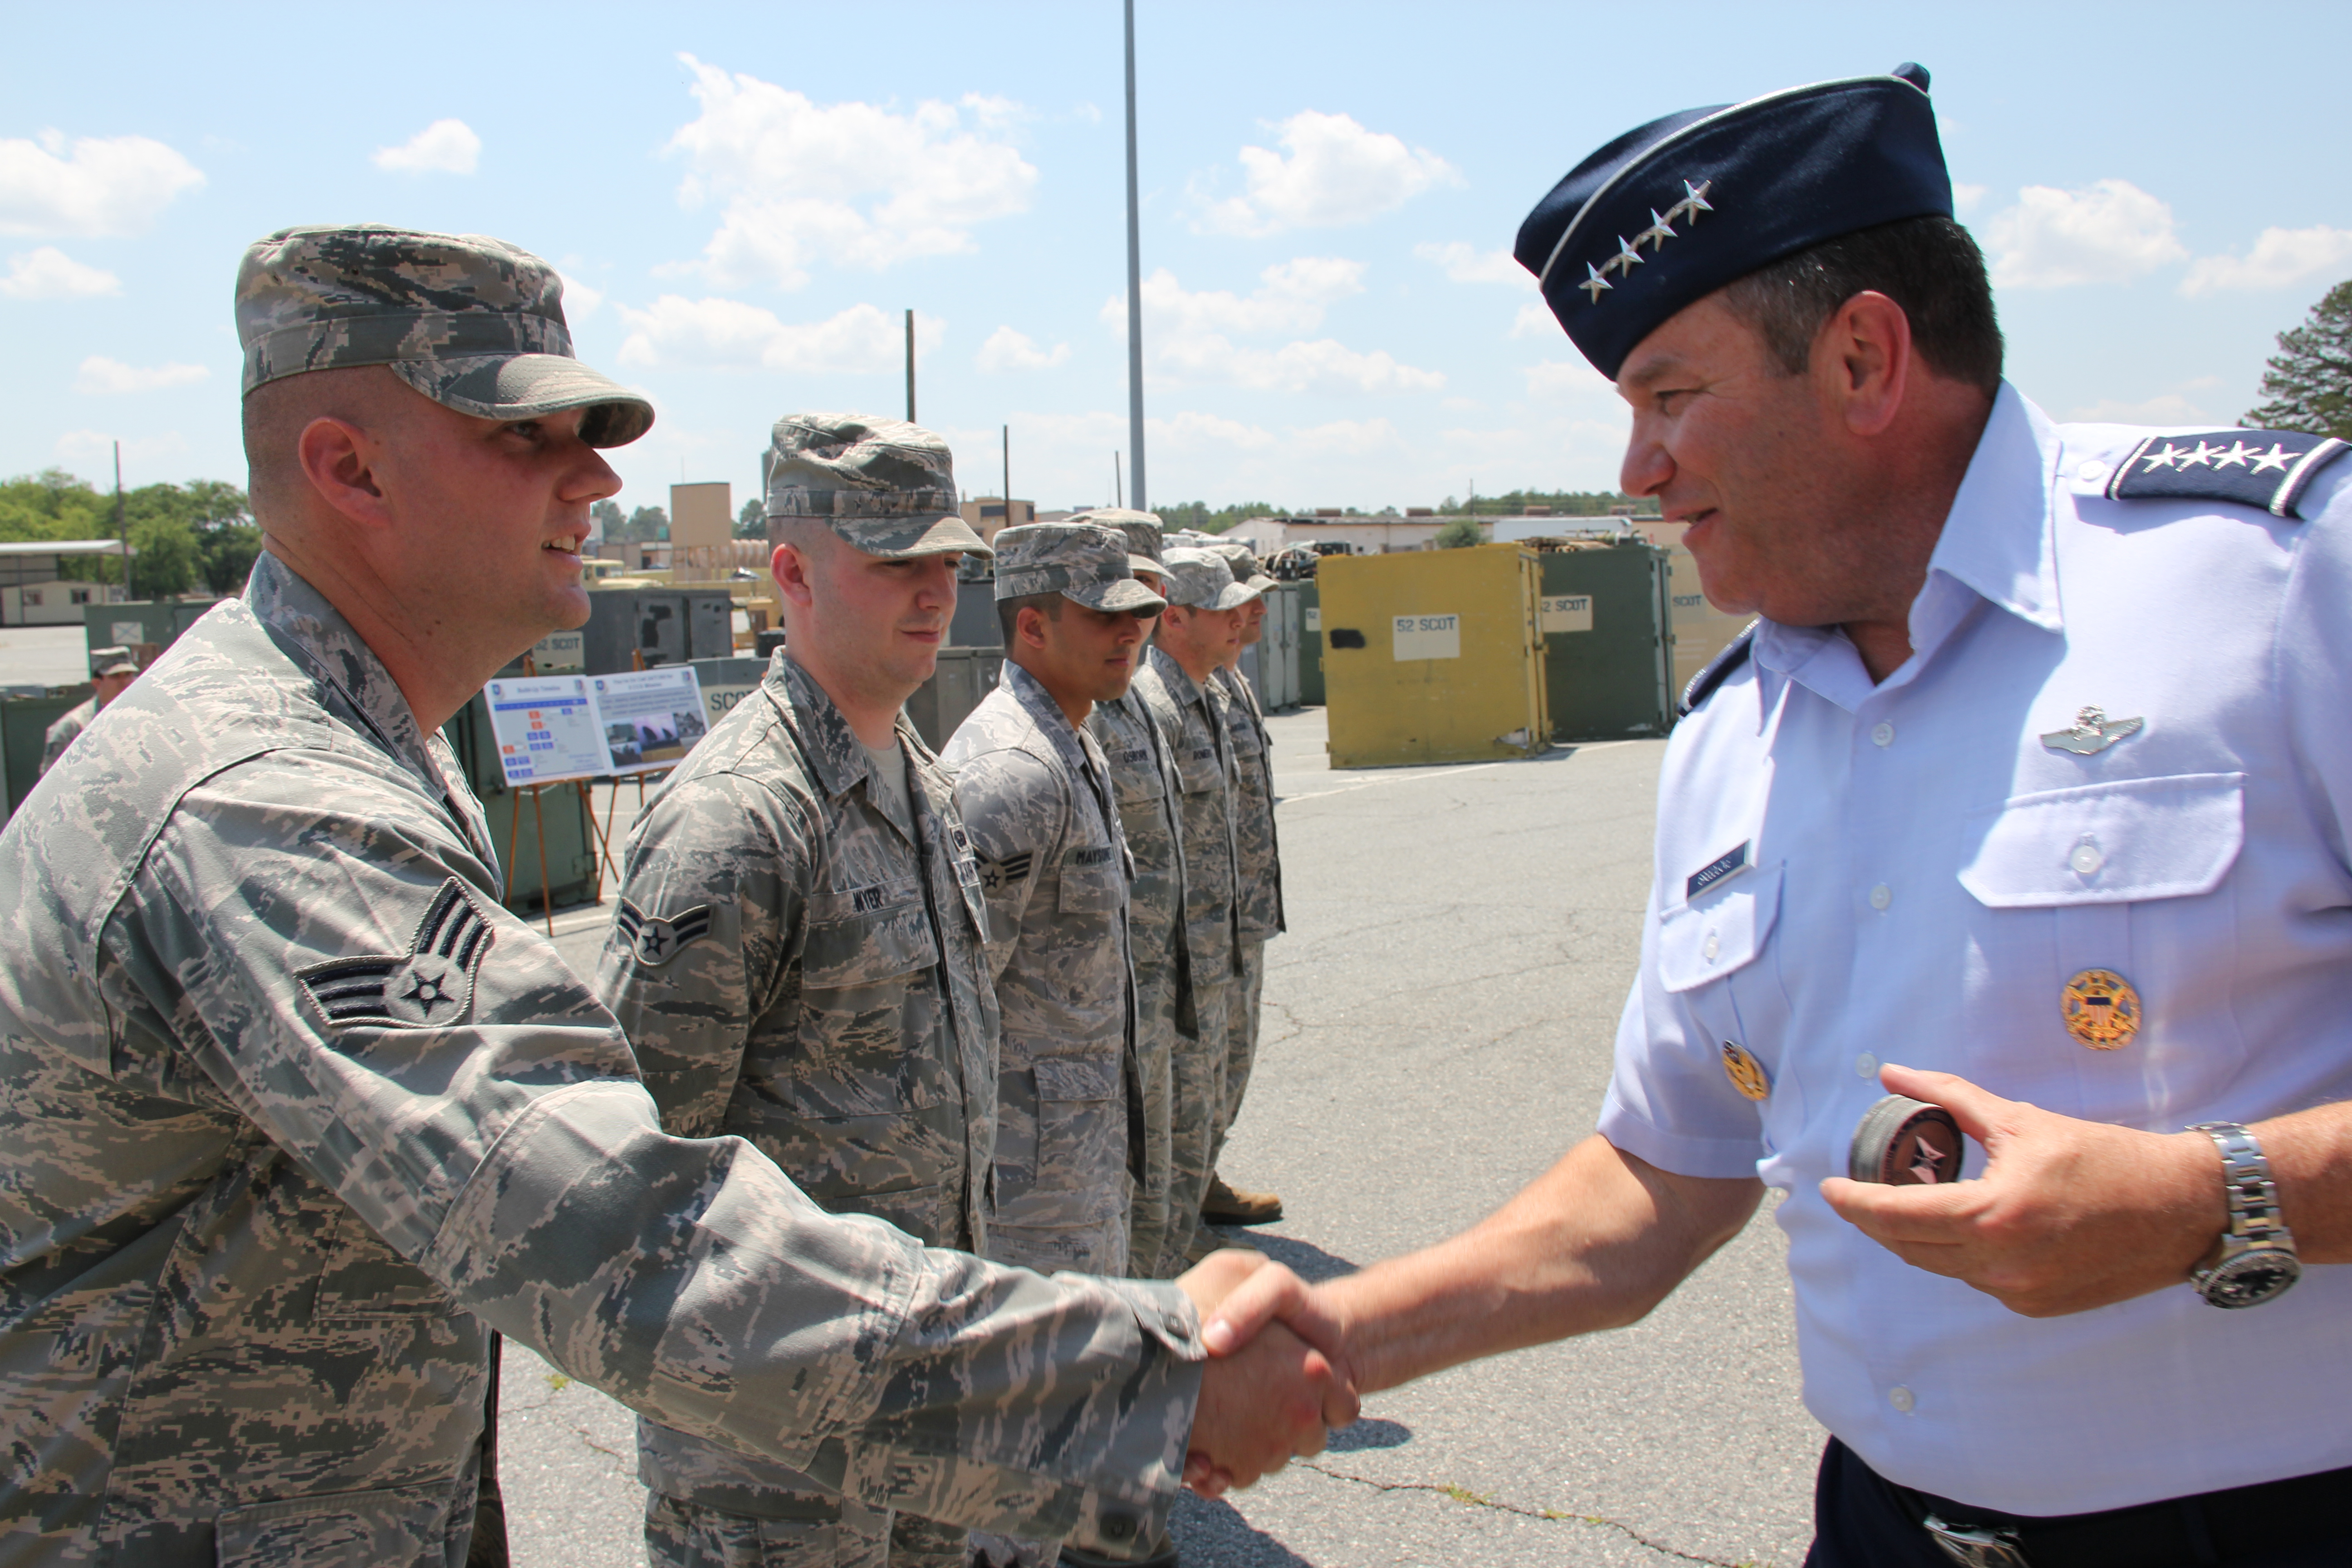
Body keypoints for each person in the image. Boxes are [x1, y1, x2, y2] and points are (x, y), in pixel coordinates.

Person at [0, 224, 1348, 1567]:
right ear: (348, 468)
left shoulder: (359, 751)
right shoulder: (266, 800)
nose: (594, 478)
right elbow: (620, 1220)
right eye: (523, 435)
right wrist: (1137, 1386)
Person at [1235, 64, 2352, 1565]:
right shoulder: (1729, 738)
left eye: (1670, 398)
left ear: (1864, 361)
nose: (1634, 469)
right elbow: (1659, 1172)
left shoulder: (2280, 587)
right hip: (1880, 1527)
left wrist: (2211, 1201)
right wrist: (1330, 1329)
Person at [592, 413, 1009, 1568]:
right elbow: (641, 1158)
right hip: (778, 1430)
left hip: (934, 1364)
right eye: (892, 564)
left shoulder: (917, 775)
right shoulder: (739, 817)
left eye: (946, 563)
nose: (932, 593)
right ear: (790, 572)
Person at [944, 522, 1162, 1283]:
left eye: (1137, 613)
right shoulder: (1012, 774)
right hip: (1028, 1191)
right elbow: (953, 1007)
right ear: (1032, 626)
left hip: (1077, 1153)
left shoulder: (1071, 740)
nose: (1130, 631)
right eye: (1103, 615)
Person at [1130, 551, 1260, 1270]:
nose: (1244, 619)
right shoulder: (1157, 703)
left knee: (1216, 1083)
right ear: (1175, 619)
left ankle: (1190, 1213)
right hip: (1178, 952)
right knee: (1177, 1103)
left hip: (1225, 932)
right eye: (1227, 608)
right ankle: (1173, 1250)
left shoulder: (1214, 692)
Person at [1076, 512, 1191, 1280]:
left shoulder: (1137, 697)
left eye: (1149, 597)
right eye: (1122, 597)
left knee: (1160, 1166)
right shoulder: (1061, 716)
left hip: (1156, 971)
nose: (1140, 616)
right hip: (1102, 1007)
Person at [1198, 542, 1284, 1228]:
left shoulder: (1233, 684)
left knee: (1234, 1056)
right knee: (1196, 1067)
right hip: (1200, 925)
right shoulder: (1183, 694)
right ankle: (1182, 1196)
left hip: (1243, 911)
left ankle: (1201, 1178)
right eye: (1237, 598)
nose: (1254, 610)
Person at [37, 646, 138, 776]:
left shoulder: (140, 718)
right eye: (116, 676)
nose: (125, 682)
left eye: (129, 675)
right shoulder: (73, 726)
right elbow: (52, 780)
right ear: (97, 683)